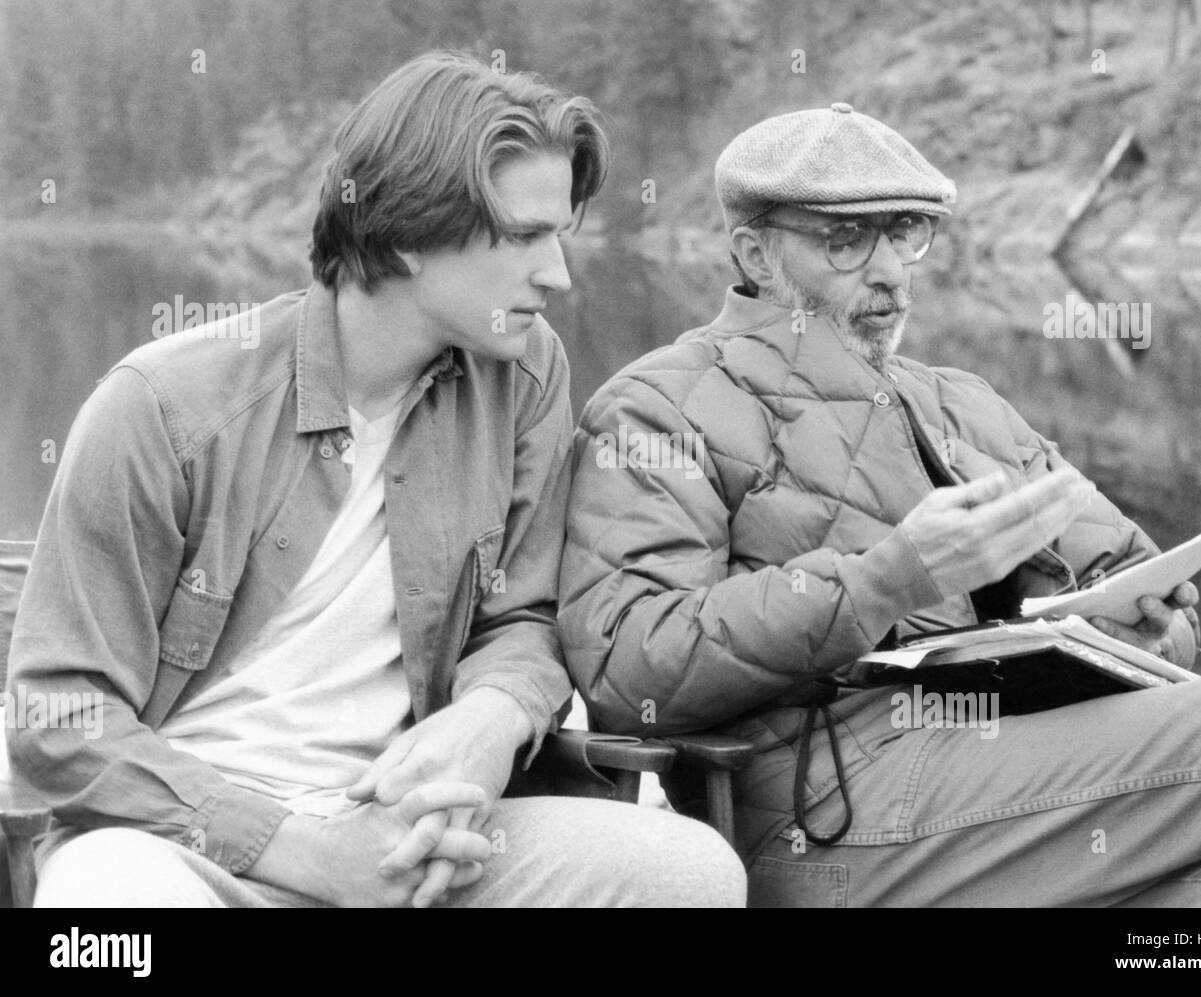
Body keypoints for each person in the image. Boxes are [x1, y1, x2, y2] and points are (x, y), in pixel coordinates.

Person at [7, 51, 745, 909]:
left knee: (688, 873)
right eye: (522, 237)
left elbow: (526, 617)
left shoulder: (525, 373)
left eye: (561, 236)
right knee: (103, 920)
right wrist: (303, 850)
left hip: (417, 838)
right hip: (180, 846)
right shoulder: (163, 407)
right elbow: (57, 720)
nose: (559, 275)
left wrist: (493, 716)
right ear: (402, 234)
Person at [558, 102, 1201, 907]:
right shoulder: (658, 407)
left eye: (906, 232)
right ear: (753, 252)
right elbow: (627, 665)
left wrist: (1149, 624)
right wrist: (884, 580)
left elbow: (1137, 572)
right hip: (827, 809)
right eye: (846, 240)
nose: (890, 270)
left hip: (1027, 777)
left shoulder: (963, 400)